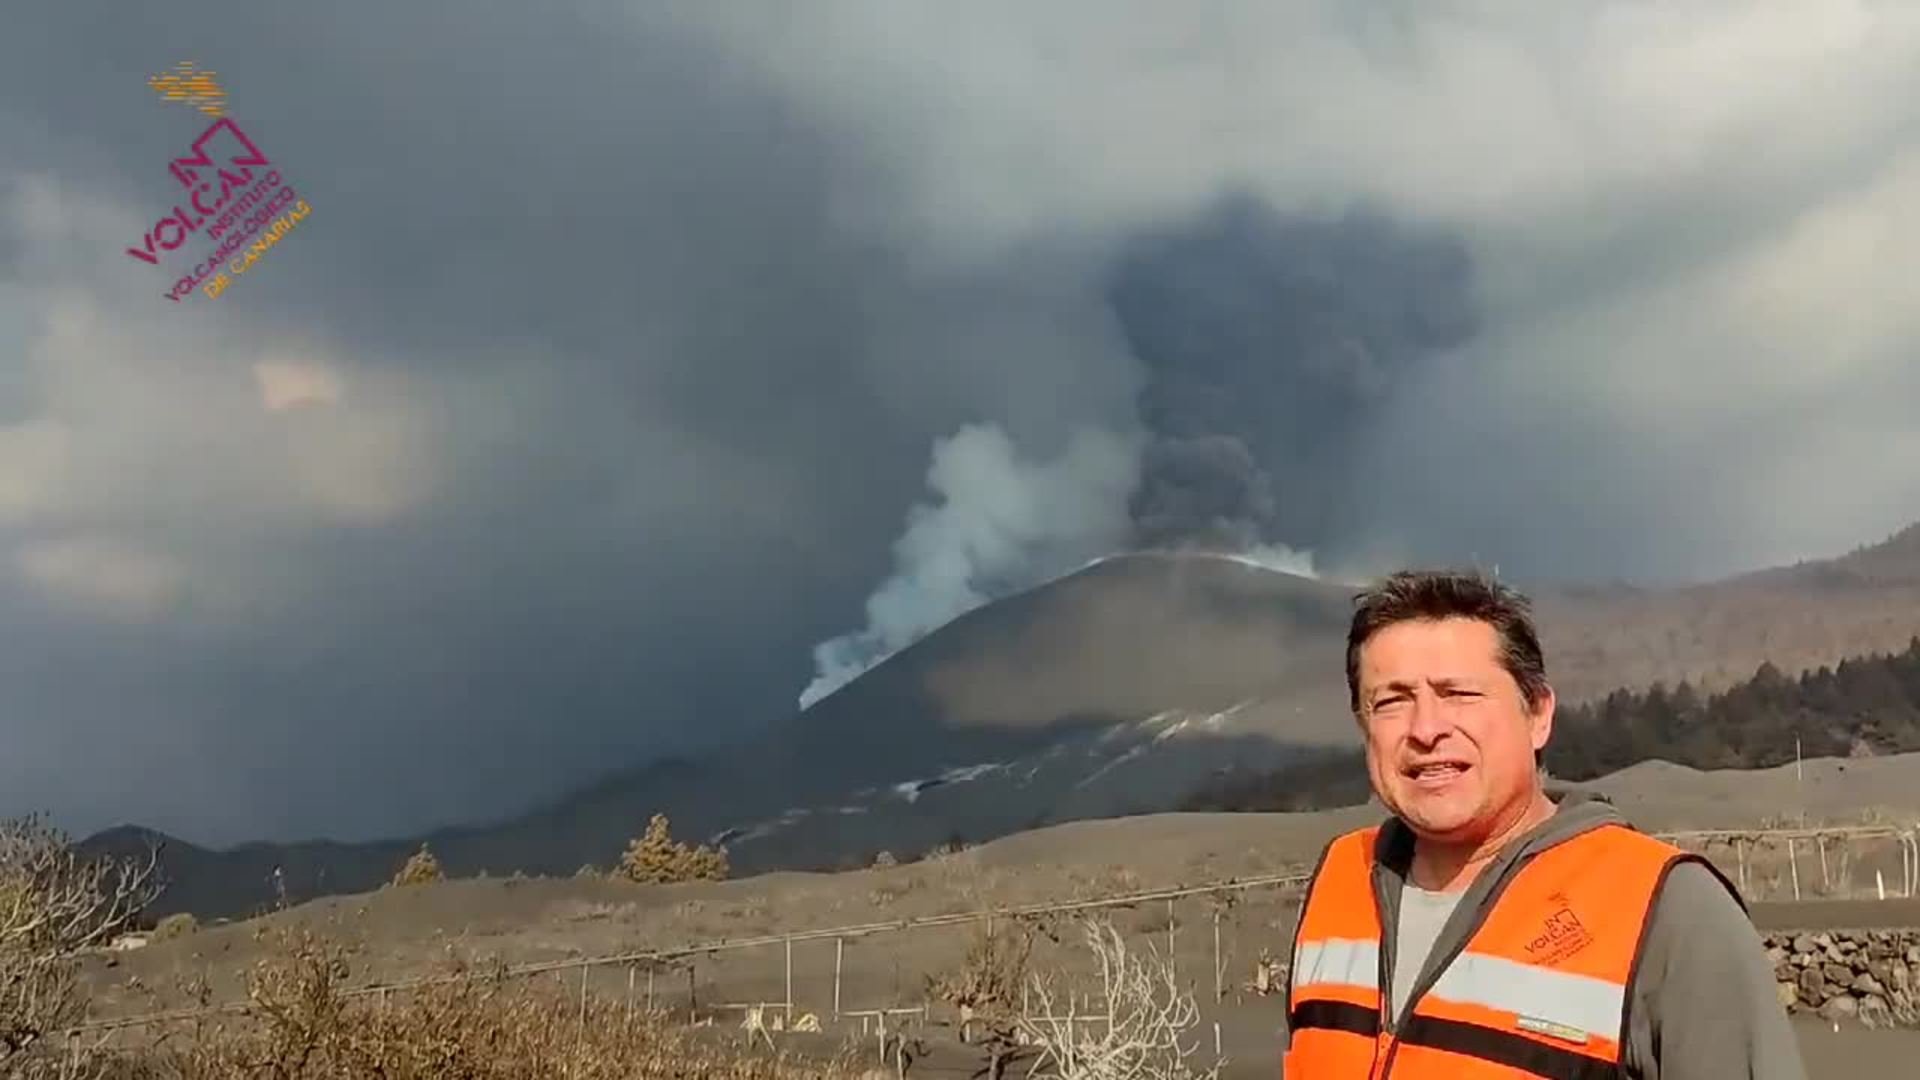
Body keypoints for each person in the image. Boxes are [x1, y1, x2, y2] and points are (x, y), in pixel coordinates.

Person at [1282, 569, 1804, 1079]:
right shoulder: (1338, 881)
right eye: (1392, 701)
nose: (1426, 729)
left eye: (1459, 693)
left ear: (1538, 715)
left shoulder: (1669, 911)